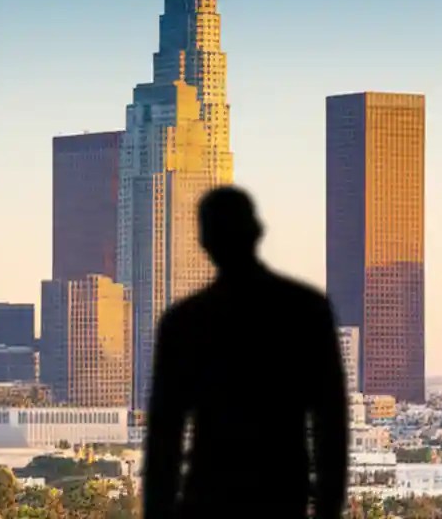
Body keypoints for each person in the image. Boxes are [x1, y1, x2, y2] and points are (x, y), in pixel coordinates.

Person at [143, 187, 348, 519]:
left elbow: (164, 441)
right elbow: (331, 426)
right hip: (280, 498)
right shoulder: (305, 310)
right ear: (257, 232)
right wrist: (327, 510)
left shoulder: (185, 322)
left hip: (209, 499)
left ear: (204, 242)